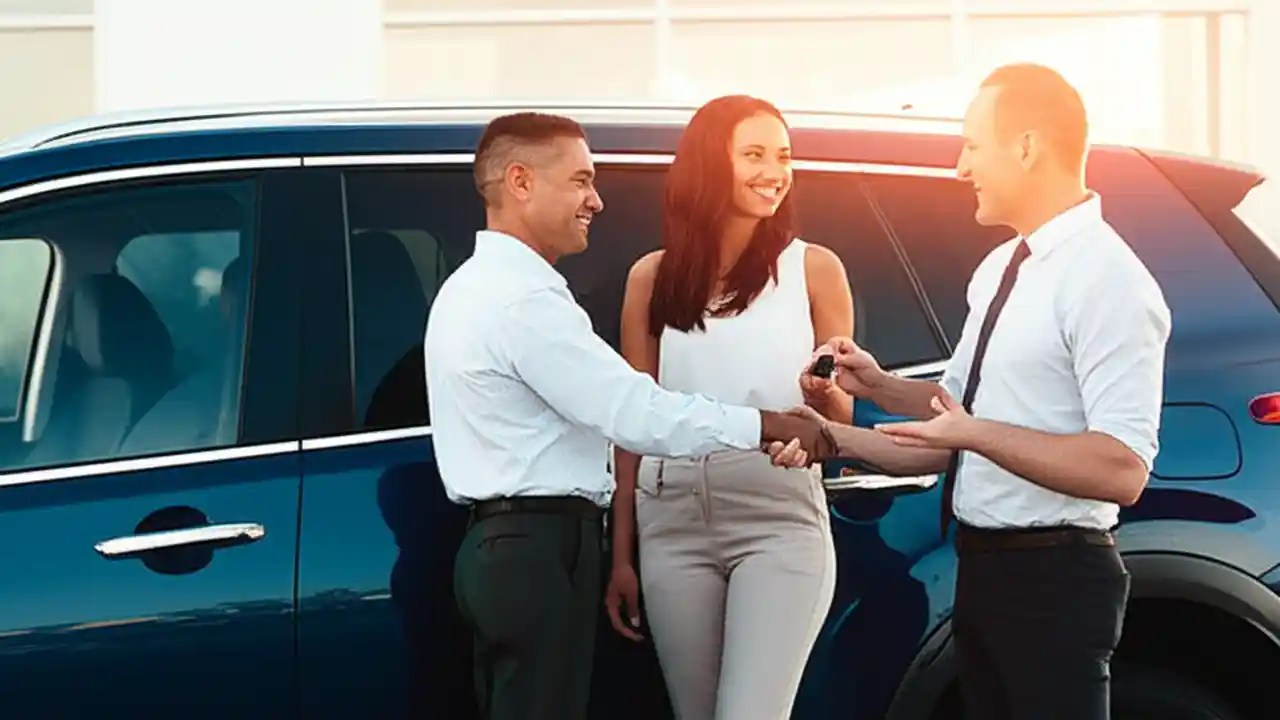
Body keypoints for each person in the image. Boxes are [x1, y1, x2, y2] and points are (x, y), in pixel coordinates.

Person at [779, 63, 1172, 720]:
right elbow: (950, 419)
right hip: (985, 569)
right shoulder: (1000, 267)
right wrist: (867, 396)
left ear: (1025, 146)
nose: (962, 168)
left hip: (1056, 581)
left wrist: (972, 433)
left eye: (973, 146)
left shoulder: (1110, 281)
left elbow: (1123, 469)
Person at [422, 111, 836, 720]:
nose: (596, 200)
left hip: (513, 545)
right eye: (580, 181)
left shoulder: (470, 287)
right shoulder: (523, 301)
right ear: (520, 182)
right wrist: (764, 423)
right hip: (540, 544)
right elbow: (632, 410)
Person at [605, 94, 854, 720]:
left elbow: (842, 423)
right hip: (672, 518)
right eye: (754, 154)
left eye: (783, 156)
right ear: (710, 164)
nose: (774, 171)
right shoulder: (652, 279)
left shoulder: (814, 270)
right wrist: (622, 554)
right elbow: (633, 420)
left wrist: (824, 396)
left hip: (776, 513)